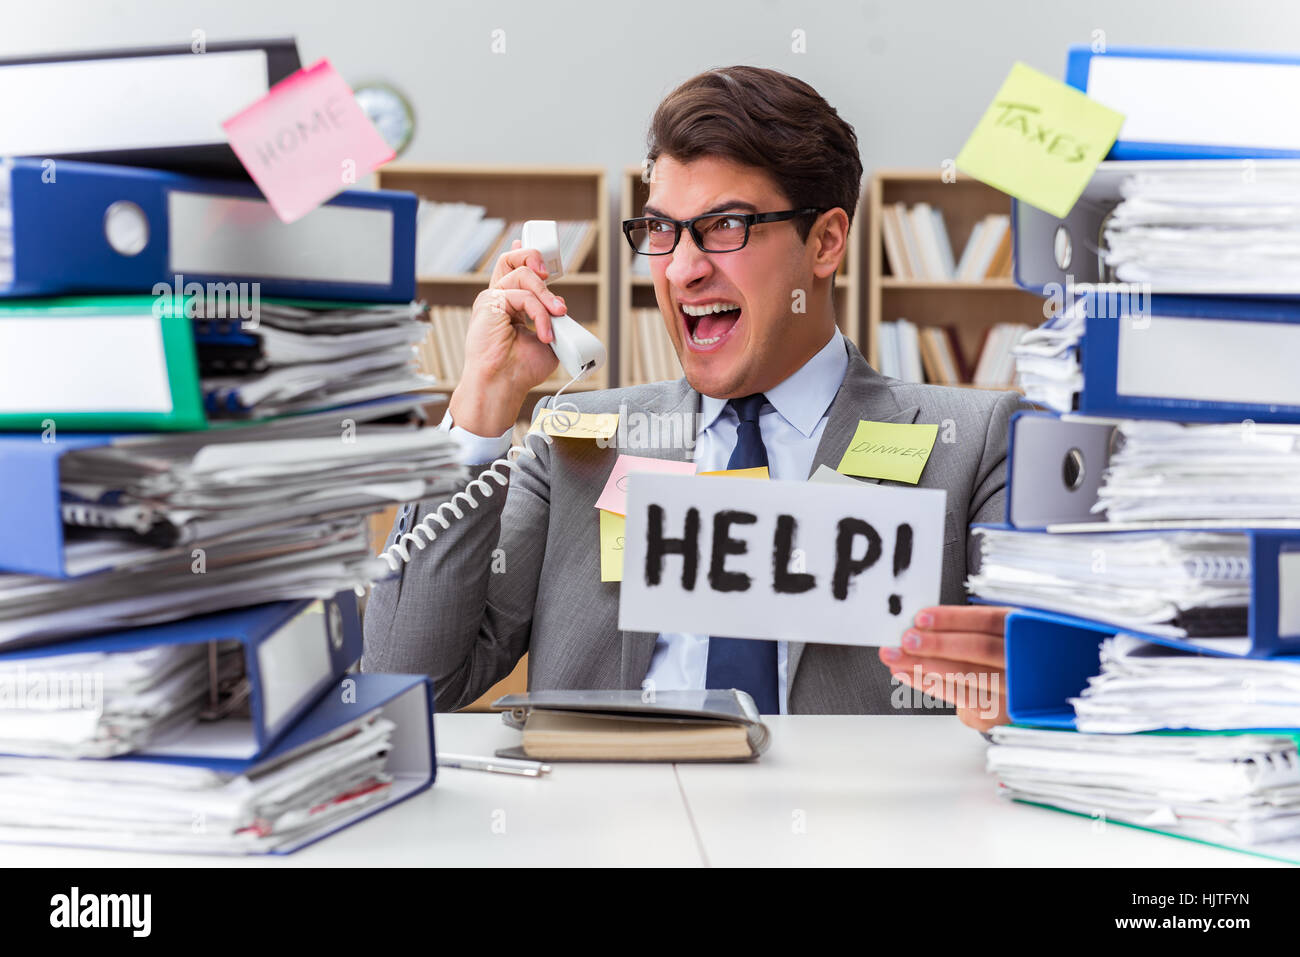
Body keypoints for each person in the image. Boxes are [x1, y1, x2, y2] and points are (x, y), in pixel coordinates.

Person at [363, 65, 1031, 730]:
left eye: (726, 226)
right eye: (661, 231)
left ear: (825, 241)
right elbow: (409, 681)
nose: (682, 269)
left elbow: (1033, 689)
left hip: (849, 831)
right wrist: (482, 401)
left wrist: (1020, 688)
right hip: (607, 824)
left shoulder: (971, 442)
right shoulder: (575, 440)